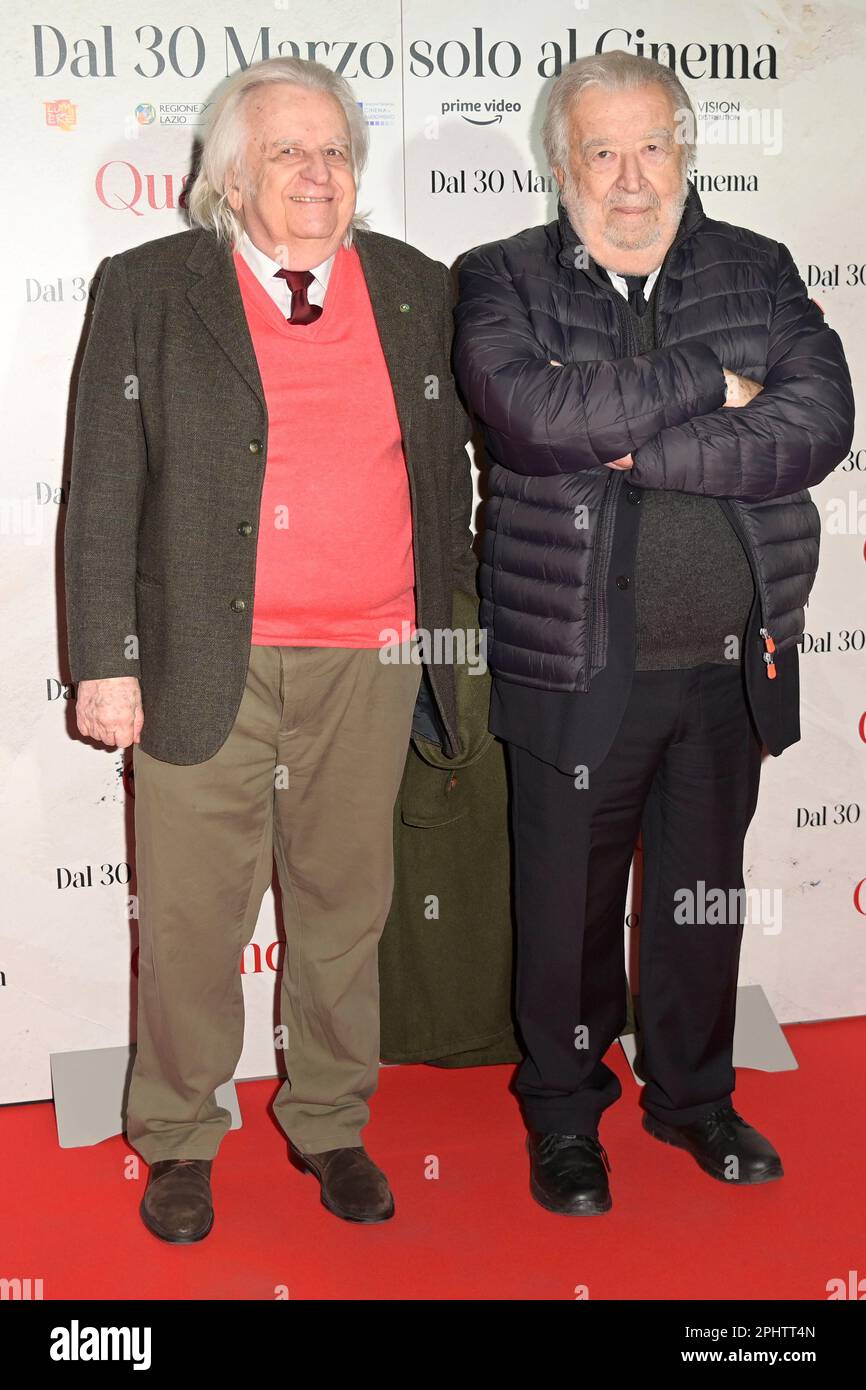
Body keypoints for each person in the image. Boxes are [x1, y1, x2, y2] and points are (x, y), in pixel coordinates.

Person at [64, 56, 476, 1241]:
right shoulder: (148, 286)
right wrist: (106, 655)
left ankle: (331, 1121)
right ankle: (183, 1132)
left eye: (335, 151)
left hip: (369, 658)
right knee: (195, 918)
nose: (316, 173)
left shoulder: (414, 286)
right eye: (286, 152)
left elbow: (450, 471)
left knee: (345, 907)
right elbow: (102, 492)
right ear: (229, 177)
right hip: (205, 661)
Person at [453, 50, 854, 1215]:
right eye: (599, 152)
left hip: (729, 663)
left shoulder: (760, 269)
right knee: (564, 908)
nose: (629, 178)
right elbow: (530, 418)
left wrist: (631, 439)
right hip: (575, 659)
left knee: (698, 897)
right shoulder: (501, 276)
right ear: (559, 163)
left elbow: (812, 428)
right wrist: (701, 376)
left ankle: (691, 1098)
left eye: (651, 147)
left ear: (685, 148)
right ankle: (565, 1117)